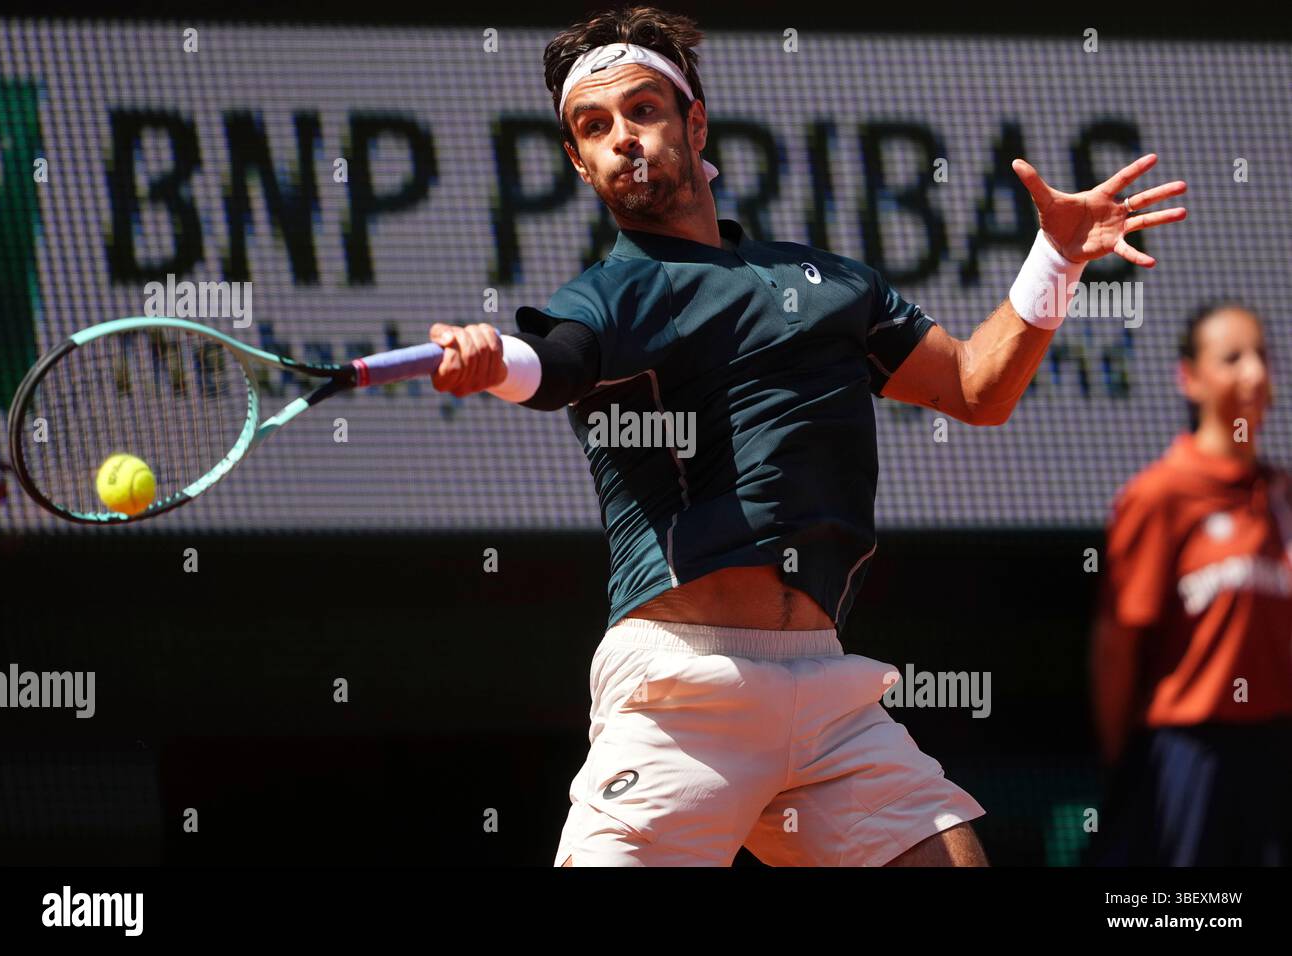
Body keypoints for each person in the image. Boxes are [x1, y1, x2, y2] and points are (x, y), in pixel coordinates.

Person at [428, 6, 1187, 865]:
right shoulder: (613, 293)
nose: (622, 140)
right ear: (576, 158)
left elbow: (977, 388)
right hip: (681, 690)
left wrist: (1057, 259)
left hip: (827, 690)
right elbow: (555, 362)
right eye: (593, 128)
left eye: (642, 111)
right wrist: (495, 363)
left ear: (695, 120)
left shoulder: (830, 284)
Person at [1090, 302, 1292, 865]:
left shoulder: (1281, 497)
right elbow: (1117, 647)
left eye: (1262, 356)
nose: (1254, 373)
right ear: (1190, 378)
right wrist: (1125, 763)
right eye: (1232, 358)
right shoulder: (1160, 496)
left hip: (1276, 754)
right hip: (1189, 756)